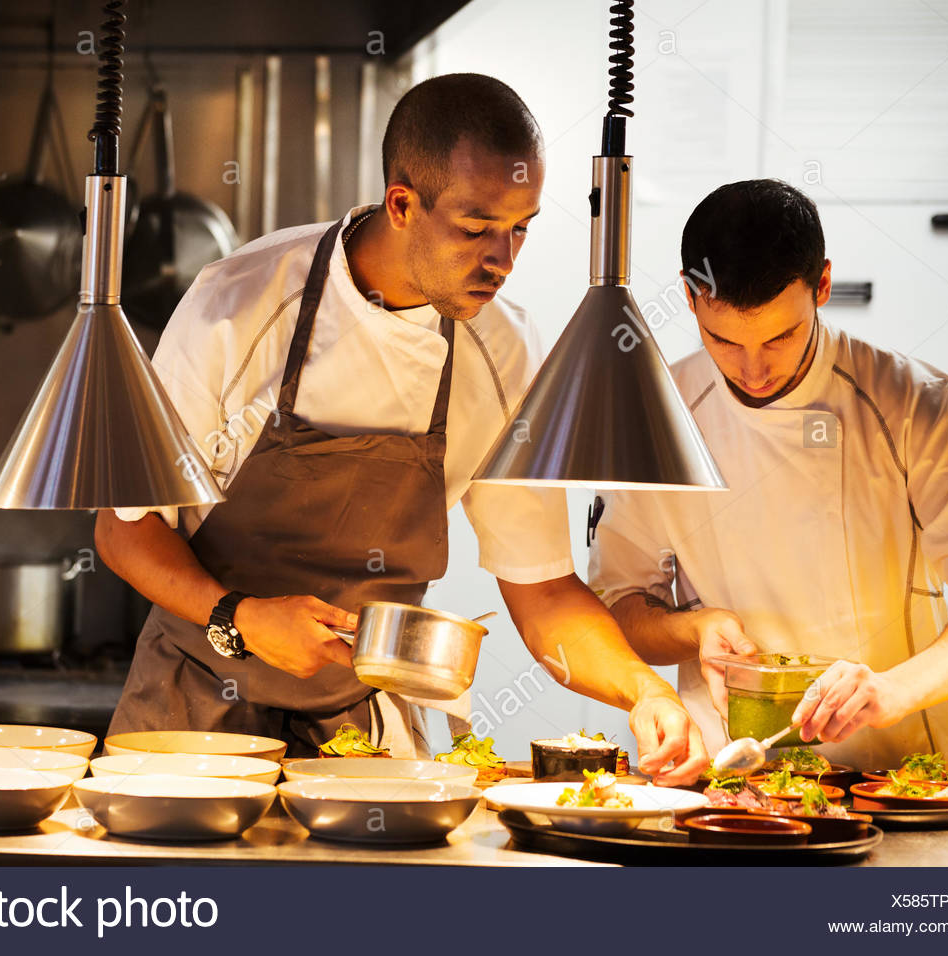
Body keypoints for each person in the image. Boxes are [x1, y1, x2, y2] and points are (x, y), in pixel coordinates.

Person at [94, 73, 706, 784]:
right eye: (477, 229)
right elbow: (124, 526)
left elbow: (541, 591)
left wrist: (647, 691)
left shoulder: (503, 350)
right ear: (402, 204)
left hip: (360, 735)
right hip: (191, 710)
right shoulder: (238, 305)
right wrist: (241, 616)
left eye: (521, 229)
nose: (502, 262)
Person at [589, 178, 948, 768]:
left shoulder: (909, 405)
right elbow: (621, 608)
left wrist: (895, 691)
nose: (753, 370)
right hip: (730, 777)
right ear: (689, 296)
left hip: (904, 776)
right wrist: (695, 627)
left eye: (781, 336)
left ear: (823, 286)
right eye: (723, 339)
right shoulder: (660, 414)